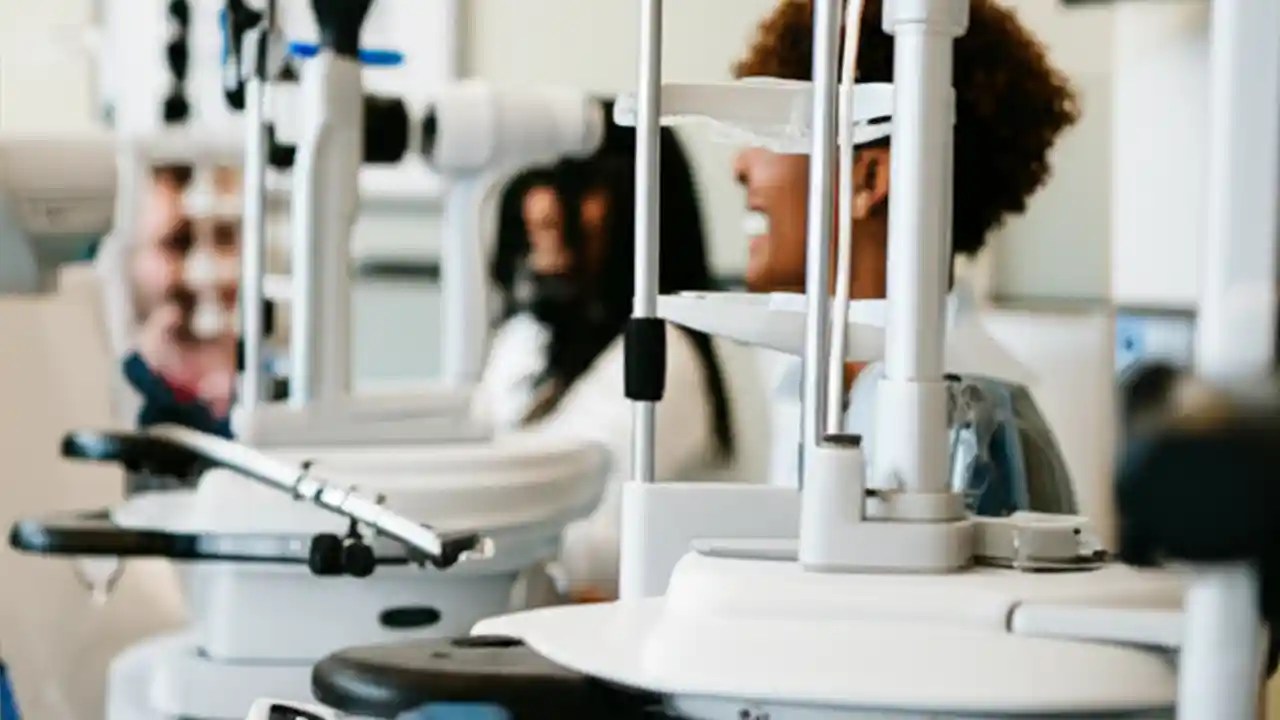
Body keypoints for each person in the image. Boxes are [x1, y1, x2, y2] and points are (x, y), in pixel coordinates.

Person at [732, 0, 1081, 494]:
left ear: (868, 178)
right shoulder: (809, 381)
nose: (739, 165)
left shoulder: (978, 428)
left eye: (768, 130)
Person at [473, 115, 735, 601]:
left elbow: (604, 551)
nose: (558, 211)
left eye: (582, 189)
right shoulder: (548, 344)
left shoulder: (660, 355)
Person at [124, 165, 241, 440]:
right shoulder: (143, 389)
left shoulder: (273, 371)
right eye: (178, 243)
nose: (203, 264)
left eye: (222, 237)